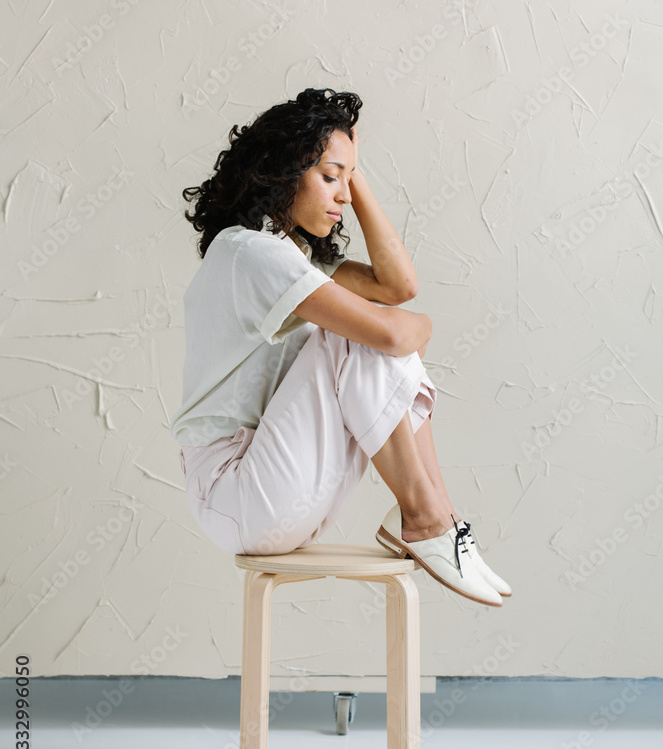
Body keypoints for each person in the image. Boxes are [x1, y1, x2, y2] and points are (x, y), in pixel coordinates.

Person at [169, 87, 511, 607]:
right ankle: (426, 518)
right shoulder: (251, 251)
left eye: (347, 180)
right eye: (330, 178)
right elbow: (395, 329)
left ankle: (438, 517)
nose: (344, 196)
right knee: (358, 337)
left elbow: (398, 285)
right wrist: (422, 326)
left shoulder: (295, 259)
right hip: (234, 489)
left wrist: (350, 170)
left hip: (274, 494)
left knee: (367, 332)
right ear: (282, 172)